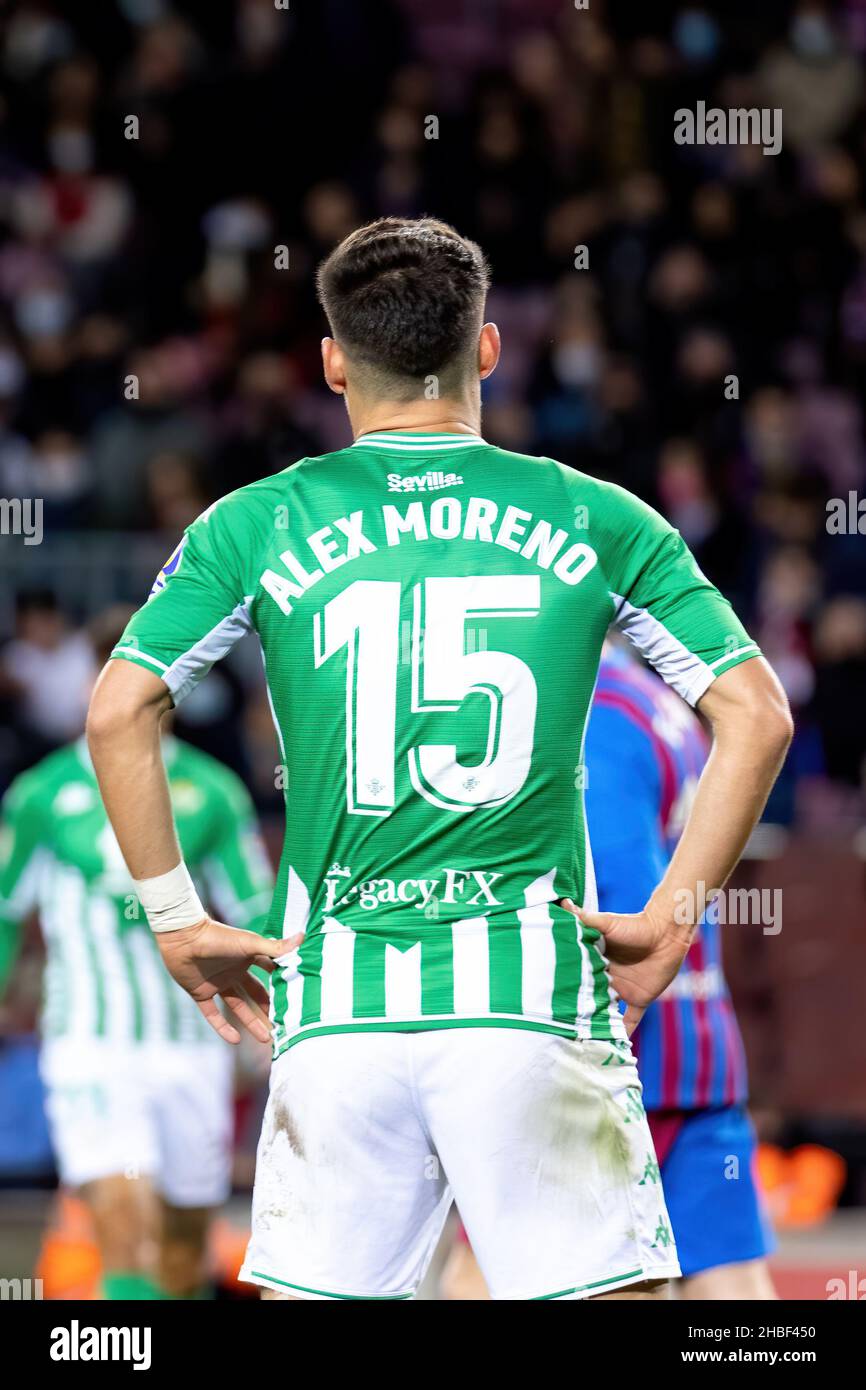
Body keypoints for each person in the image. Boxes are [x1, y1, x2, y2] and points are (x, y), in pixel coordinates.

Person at [86, 217, 792, 1302]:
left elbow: (118, 710)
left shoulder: (255, 522)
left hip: (335, 1013)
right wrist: (675, 913)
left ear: (331, 362)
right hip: (530, 997)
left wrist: (176, 919)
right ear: (489, 349)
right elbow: (754, 712)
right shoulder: (598, 515)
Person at [441, 643, 776, 1300]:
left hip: (612, 1043)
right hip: (697, 1043)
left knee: (492, 1271)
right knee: (729, 1285)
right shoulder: (655, 701)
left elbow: (614, 896)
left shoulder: (585, 717)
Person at [0, 608, 274, 1300]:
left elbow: (256, 914)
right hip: (89, 1040)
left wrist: (282, 1022)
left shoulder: (214, 793)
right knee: (123, 1214)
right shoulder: (43, 795)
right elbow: (5, 912)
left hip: (191, 1044)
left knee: (184, 1245)